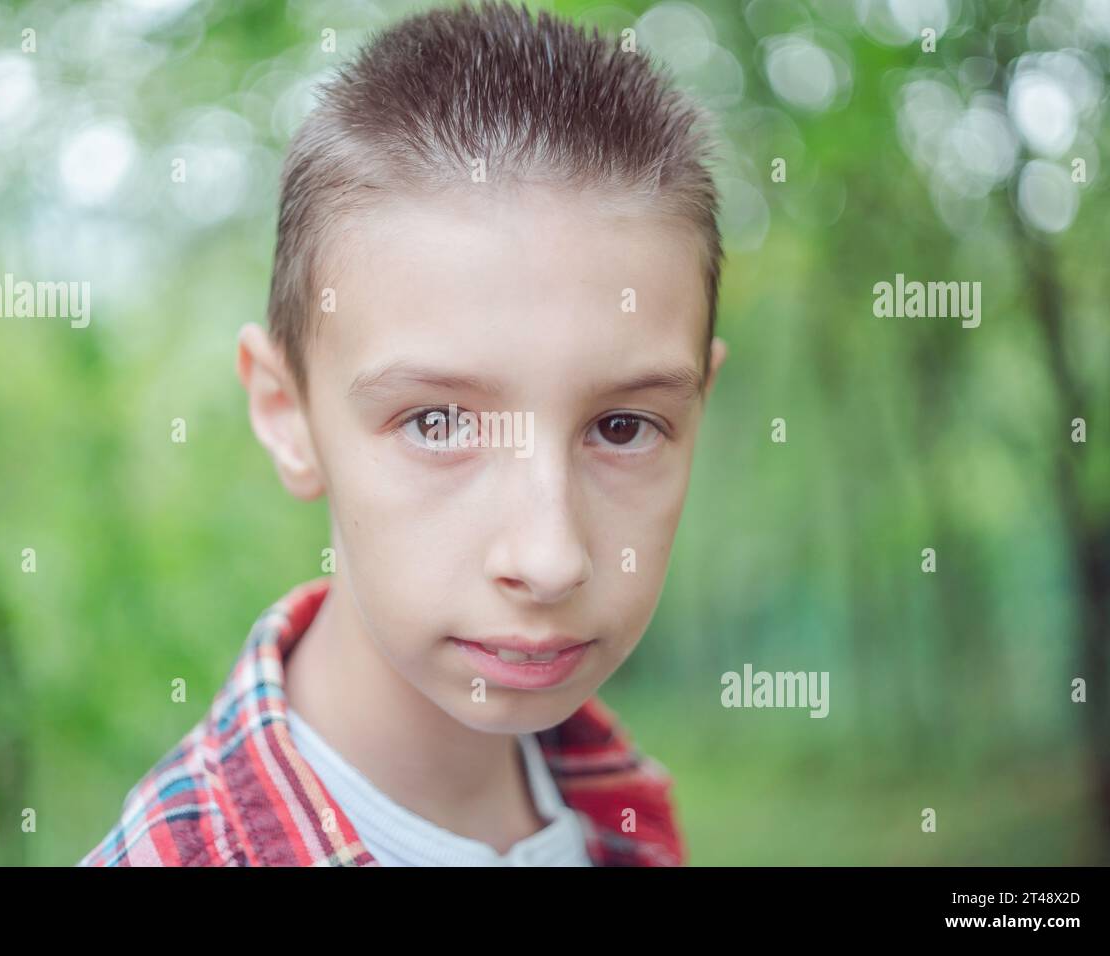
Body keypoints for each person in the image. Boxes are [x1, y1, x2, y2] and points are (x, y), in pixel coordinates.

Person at [81, 0, 728, 867]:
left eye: (621, 426)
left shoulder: (622, 817)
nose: (550, 558)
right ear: (288, 415)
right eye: (437, 421)